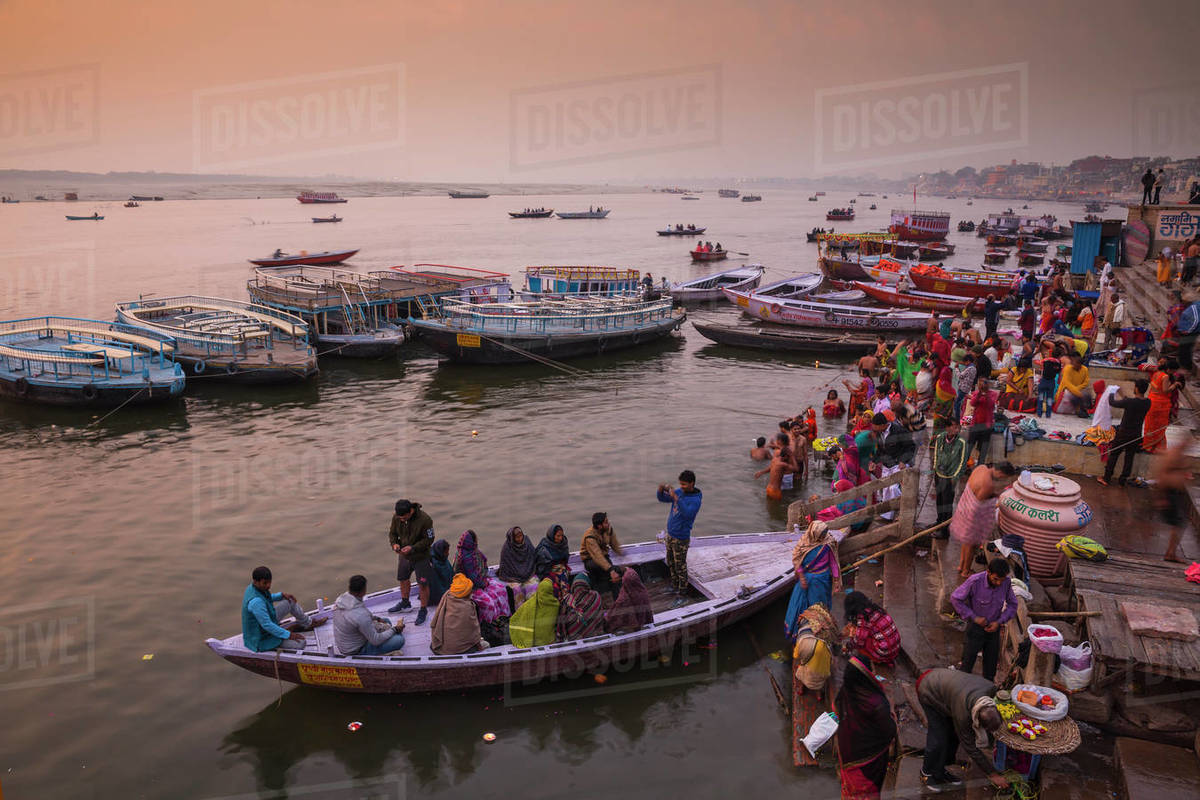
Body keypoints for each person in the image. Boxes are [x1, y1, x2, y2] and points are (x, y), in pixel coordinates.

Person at [917, 668, 1008, 791]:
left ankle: (940, 770)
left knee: (953, 735)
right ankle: (927, 772)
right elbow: (969, 746)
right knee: (939, 736)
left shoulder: (992, 690)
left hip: (949, 690)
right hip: (928, 689)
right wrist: (992, 774)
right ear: (976, 720)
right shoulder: (963, 715)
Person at [836, 656, 897, 800]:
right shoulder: (876, 702)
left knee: (850, 787)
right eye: (872, 668)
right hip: (869, 760)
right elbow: (890, 731)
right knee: (867, 791)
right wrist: (892, 714)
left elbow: (837, 710)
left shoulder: (846, 691)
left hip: (847, 752)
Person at [950, 558, 1017, 681]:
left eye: (1001, 581)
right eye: (995, 579)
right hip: (975, 627)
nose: (998, 583)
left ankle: (987, 693)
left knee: (990, 669)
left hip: (994, 628)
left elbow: (1013, 604)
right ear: (988, 572)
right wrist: (974, 617)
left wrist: (999, 621)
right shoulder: (975, 581)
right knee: (967, 664)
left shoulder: (1006, 582)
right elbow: (955, 598)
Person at [951, 462, 1017, 579]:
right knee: (971, 544)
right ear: (1000, 473)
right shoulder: (988, 484)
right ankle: (965, 571)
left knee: (966, 542)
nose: (1003, 479)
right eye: (1004, 477)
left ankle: (961, 566)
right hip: (973, 515)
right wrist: (997, 495)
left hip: (964, 507)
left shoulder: (981, 468)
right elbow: (979, 503)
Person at [240, 566, 325, 653]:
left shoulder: (252, 588)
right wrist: (288, 635)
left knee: (289, 601)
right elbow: (267, 625)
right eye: (265, 583)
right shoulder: (256, 602)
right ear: (256, 582)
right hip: (261, 638)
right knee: (301, 643)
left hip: (266, 622)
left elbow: (265, 599)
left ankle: (308, 623)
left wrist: (280, 595)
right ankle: (286, 632)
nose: (268, 586)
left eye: (269, 582)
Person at [785, 520, 841, 640]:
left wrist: (836, 580)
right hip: (806, 580)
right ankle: (801, 631)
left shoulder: (828, 543)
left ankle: (820, 631)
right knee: (800, 606)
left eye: (824, 534)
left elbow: (833, 563)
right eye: (820, 535)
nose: (822, 537)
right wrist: (801, 577)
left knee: (819, 607)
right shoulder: (804, 543)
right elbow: (797, 560)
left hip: (822, 581)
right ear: (813, 533)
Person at [658, 470, 702, 607]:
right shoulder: (679, 492)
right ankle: (674, 585)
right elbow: (662, 499)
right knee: (670, 562)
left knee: (680, 566)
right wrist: (660, 490)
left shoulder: (696, 499)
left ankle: (683, 594)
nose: (681, 486)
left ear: (692, 483)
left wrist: (677, 499)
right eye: (680, 484)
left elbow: (688, 514)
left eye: (684, 484)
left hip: (681, 538)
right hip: (670, 535)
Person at [387, 499, 435, 623]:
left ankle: (423, 609)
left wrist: (413, 548)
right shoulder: (397, 517)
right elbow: (392, 534)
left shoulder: (425, 520)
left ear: (411, 512)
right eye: (399, 518)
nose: (401, 520)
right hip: (404, 555)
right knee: (403, 579)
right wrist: (395, 545)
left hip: (421, 557)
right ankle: (405, 602)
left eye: (403, 518)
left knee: (423, 584)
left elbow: (429, 539)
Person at [332, 575, 406, 656]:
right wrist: (395, 629)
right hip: (354, 650)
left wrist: (376, 618)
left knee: (386, 620)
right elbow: (375, 640)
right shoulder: (361, 615)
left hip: (345, 644)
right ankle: (378, 654)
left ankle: (393, 632)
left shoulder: (340, 599)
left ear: (350, 588)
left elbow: (356, 617)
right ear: (364, 590)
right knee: (399, 640)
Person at [1098, 379, 1151, 486]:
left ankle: (1106, 478)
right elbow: (1130, 402)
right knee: (1129, 457)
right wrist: (1121, 393)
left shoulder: (1130, 402)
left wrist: (1111, 392)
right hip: (1136, 434)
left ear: (1136, 388)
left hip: (1123, 433)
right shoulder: (1147, 403)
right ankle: (1123, 479)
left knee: (1114, 454)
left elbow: (1112, 402)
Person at [454, 530, 511, 623]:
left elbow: (484, 563)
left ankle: (503, 617)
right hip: (470, 588)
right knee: (489, 604)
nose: (477, 541)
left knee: (501, 590)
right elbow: (473, 578)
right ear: (470, 542)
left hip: (482, 581)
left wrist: (484, 580)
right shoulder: (463, 558)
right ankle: (488, 624)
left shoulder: (473, 550)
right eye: (475, 540)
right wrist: (484, 583)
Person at [1155, 439, 1193, 563]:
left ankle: (1171, 552)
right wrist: (1161, 497)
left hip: (1177, 493)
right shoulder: (1173, 454)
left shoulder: (1181, 455)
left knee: (1179, 524)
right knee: (1177, 524)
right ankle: (1170, 553)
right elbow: (1162, 474)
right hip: (1170, 493)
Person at [430, 574, 486, 655]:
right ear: (467, 592)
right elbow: (474, 634)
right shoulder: (467, 607)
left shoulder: (448, 595)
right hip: (460, 650)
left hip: (442, 648)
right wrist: (479, 645)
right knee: (486, 644)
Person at [842, 591, 901, 667]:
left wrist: (848, 646)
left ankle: (877, 659)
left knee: (860, 643)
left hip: (885, 652)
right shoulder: (874, 608)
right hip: (895, 648)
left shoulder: (863, 617)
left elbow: (859, 642)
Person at [932, 422, 969, 529]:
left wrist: (956, 476)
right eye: (954, 427)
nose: (956, 429)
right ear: (947, 427)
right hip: (939, 474)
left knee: (947, 502)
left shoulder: (961, 442)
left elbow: (962, 461)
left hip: (951, 477)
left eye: (958, 428)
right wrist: (935, 468)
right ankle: (939, 522)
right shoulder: (940, 437)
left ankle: (945, 528)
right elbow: (936, 453)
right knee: (939, 500)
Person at [581, 512, 624, 600]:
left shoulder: (608, 530)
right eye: (606, 522)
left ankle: (617, 599)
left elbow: (614, 544)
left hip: (604, 557)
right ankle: (600, 598)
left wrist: (622, 554)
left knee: (615, 573)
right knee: (613, 571)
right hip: (590, 560)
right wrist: (611, 570)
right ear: (599, 526)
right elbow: (597, 556)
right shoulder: (590, 536)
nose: (608, 523)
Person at [508, 577, 560, 648]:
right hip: (550, 641)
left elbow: (515, 617)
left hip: (534, 641)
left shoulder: (531, 603)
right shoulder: (555, 604)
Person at [1144, 359, 1181, 452]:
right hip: (1160, 405)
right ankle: (1156, 447)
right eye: (1173, 371)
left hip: (1151, 401)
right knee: (1159, 426)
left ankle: (1147, 445)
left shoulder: (1157, 373)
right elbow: (1165, 391)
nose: (1174, 373)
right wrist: (1175, 385)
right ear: (1169, 369)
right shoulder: (1165, 377)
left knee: (1150, 425)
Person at [497, 526, 539, 604]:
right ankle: (522, 612)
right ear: (512, 538)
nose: (520, 539)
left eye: (521, 536)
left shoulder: (526, 542)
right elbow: (506, 567)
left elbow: (533, 557)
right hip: (513, 577)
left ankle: (533, 609)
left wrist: (526, 574)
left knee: (534, 587)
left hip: (529, 573)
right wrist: (519, 576)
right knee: (517, 590)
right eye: (517, 537)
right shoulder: (507, 548)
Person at [557, 574, 606, 641]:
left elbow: (562, 620)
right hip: (596, 638)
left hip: (573, 640)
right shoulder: (595, 596)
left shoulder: (568, 599)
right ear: (587, 584)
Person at [604, 568, 653, 633]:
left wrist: (607, 616)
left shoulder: (625, 596)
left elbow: (619, 607)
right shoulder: (641, 590)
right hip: (644, 622)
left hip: (631, 626)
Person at [964, 378, 997, 466]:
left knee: (983, 449)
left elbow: (991, 405)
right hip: (976, 424)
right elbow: (973, 403)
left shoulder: (993, 394)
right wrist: (979, 394)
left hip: (987, 425)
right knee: (969, 446)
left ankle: (980, 466)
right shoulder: (976, 393)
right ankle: (963, 465)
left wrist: (985, 395)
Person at [755, 433, 792, 501]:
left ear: (781, 441)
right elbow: (795, 468)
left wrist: (761, 472)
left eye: (778, 440)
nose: (777, 441)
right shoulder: (785, 452)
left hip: (773, 485)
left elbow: (773, 465)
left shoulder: (778, 454)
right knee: (784, 498)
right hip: (782, 480)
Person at [1055, 353, 1093, 417]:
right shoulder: (1067, 369)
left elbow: (1086, 383)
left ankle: (1083, 411)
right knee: (1072, 395)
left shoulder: (1085, 369)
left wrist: (1077, 388)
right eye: (1073, 363)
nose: (1073, 365)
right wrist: (1079, 393)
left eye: (1075, 364)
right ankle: (1078, 410)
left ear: (1080, 365)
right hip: (1066, 391)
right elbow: (1067, 384)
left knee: (1087, 394)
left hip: (1077, 390)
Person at [427, 539, 454, 608]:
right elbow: (436, 585)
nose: (448, 553)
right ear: (440, 551)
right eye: (446, 551)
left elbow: (451, 574)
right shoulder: (432, 564)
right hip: (438, 595)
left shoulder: (442, 558)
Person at [1036, 346, 1061, 418]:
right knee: (1049, 399)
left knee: (1040, 398)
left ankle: (1039, 413)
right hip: (1051, 382)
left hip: (1043, 381)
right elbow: (1058, 372)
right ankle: (1048, 414)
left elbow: (1040, 365)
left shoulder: (1046, 360)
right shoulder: (1058, 362)